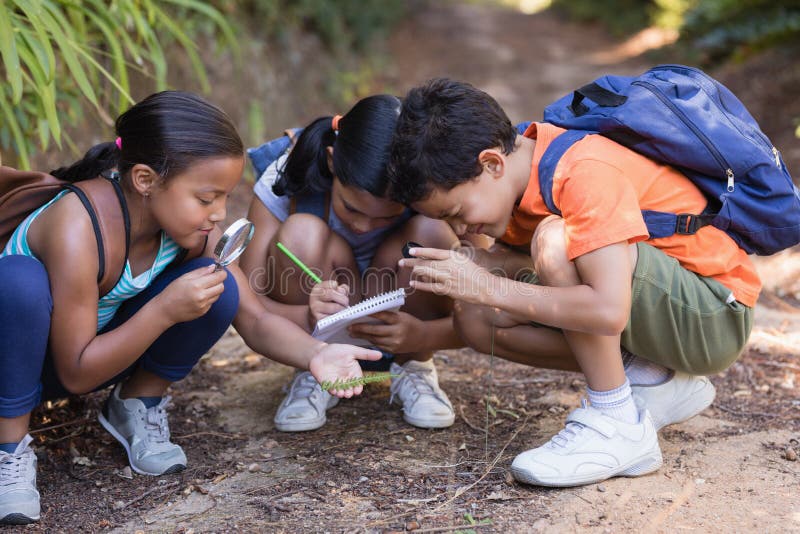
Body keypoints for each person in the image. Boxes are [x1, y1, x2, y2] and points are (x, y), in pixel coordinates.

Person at [0, 91, 381, 525]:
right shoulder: (78, 225)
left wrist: (317, 353)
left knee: (218, 284)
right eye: (206, 199)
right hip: (23, 365)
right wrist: (163, 310)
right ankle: (7, 447)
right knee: (18, 284)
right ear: (145, 180)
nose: (218, 214)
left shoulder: (182, 231)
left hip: (85, 357)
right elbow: (75, 372)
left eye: (224, 198)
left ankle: (135, 405)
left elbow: (254, 318)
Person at [388, 78, 760, 488]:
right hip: (657, 306)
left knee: (555, 241)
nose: (459, 227)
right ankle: (655, 378)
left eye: (457, 211)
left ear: (492, 163)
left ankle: (616, 421)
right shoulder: (514, 183)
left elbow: (606, 310)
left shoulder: (581, 170)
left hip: (711, 316)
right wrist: (483, 267)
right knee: (476, 317)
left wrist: (486, 284)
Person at [241, 94, 480, 432]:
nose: (363, 226)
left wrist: (424, 336)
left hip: (406, 321)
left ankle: (414, 366)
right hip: (320, 327)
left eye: (386, 218)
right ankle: (316, 365)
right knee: (301, 233)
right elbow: (248, 298)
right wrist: (307, 315)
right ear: (331, 161)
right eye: (350, 208)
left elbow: (483, 294)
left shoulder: (433, 190)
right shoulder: (288, 177)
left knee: (433, 233)